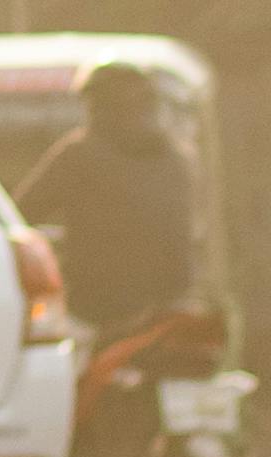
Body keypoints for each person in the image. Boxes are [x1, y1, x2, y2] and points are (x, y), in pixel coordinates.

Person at [18, 59, 201, 334]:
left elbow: (21, 213)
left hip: (93, 309)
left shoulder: (80, 154)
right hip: (168, 307)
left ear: (102, 107)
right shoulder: (177, 159)